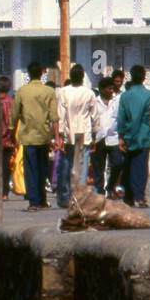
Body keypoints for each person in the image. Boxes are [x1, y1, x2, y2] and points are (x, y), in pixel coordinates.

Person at [11, 63, 58, 212]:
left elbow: (14, 114)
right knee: (43, 168)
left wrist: (12, 130)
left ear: (29, 74)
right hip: (44, 135)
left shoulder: (22, 91)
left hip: (28, 135)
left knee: (30, 169)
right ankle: (42, 199)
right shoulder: (49, 91)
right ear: (42, 73)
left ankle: (33, 201)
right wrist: (56, 136)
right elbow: (54, 116)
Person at [56, 63, 98, 209]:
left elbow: (60, 115)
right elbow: (95, 116)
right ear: (82, 77)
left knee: (67, 164)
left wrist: (60, 135)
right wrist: (95, 134)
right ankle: (80, 196)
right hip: (85, 131)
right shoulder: (89, 93)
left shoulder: (63, 92)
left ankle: (65, 196)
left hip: (70, 132)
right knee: (83, 164)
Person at [116, 65, 150, 208]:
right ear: (144, 77)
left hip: (128, 136)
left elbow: (120, 119)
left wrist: (120, 136)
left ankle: (130, 196)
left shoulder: (125, 96)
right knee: (141, 166)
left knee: (128, 165)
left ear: (131, 77)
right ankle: (140, 196)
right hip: (144, 135)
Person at [91, 76, 123, 196]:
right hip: (99, 137)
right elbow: (92, 119)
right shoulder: (95, 101)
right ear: (102, 89)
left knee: (118, 163)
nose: (111, 91)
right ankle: (100, 191)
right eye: (109, 88)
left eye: (112, 89)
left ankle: (110, 186)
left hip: (113, 137)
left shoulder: (117, 100)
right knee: (98, 167)